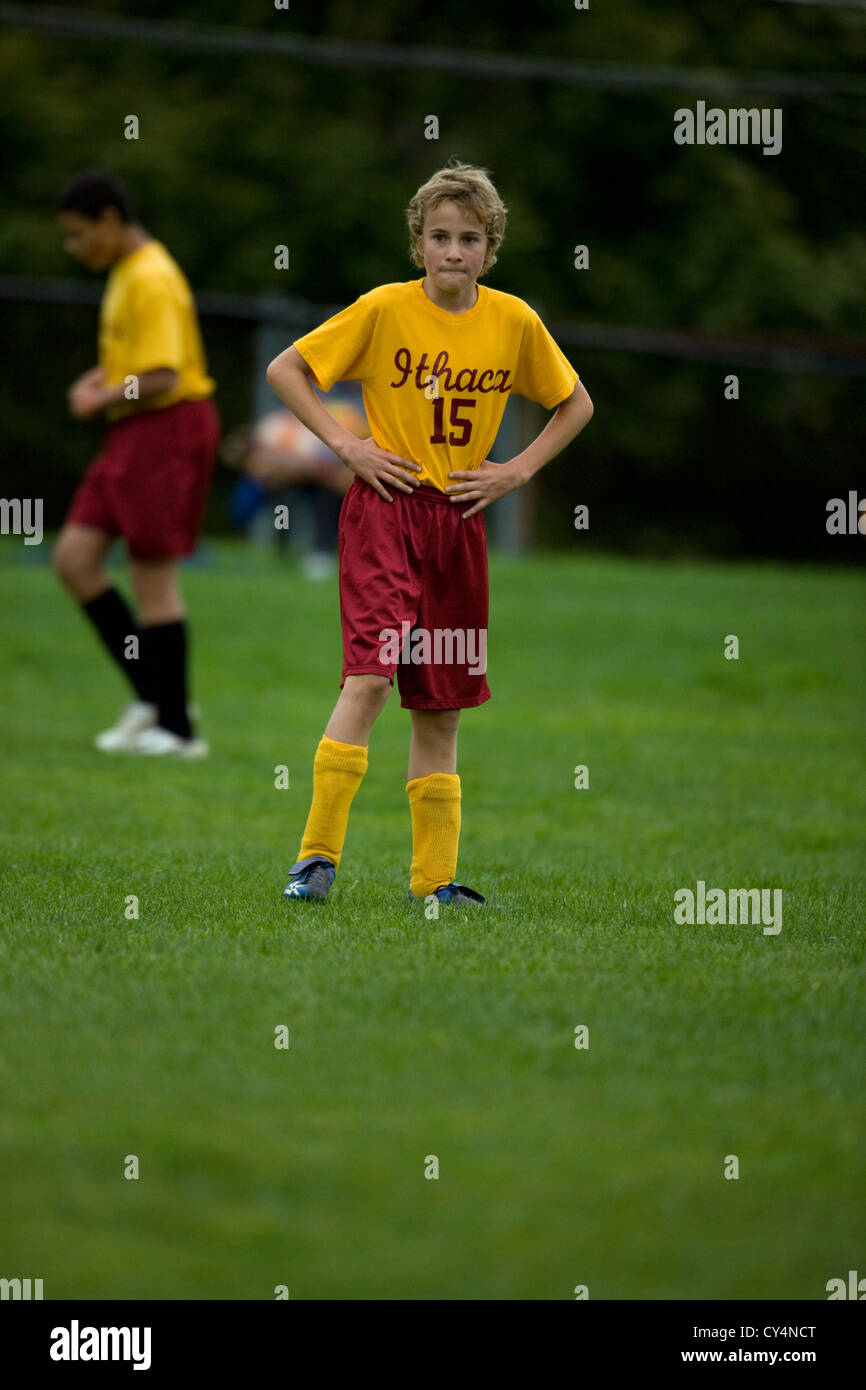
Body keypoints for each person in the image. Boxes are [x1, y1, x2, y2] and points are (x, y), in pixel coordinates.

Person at [266, 158, 594, 906]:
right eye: (440, 237)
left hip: (460, 526)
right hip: (387, 510)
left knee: (440, 705)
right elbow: (289, 370)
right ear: (417, 244)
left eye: (470, 239)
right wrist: (346, 447)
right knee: (373, 677)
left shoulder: (514, 321)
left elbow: (575, 404)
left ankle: (434, 884)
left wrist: (515, 471)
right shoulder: (383, 308)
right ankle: (314, 861)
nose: (454, 251)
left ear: (490, 248)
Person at [52, 169, 220, 757]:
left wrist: (103, 396)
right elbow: (137, 362)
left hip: (165, 430)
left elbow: (163, 377)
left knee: (153, 577)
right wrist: (104, 381)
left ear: (110, 219)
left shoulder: (151, 276)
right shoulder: (126, 271)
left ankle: (178, 730)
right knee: (74, 559)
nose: (75, 249)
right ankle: (156, 696)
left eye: (79, 235)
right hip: (131, 434)